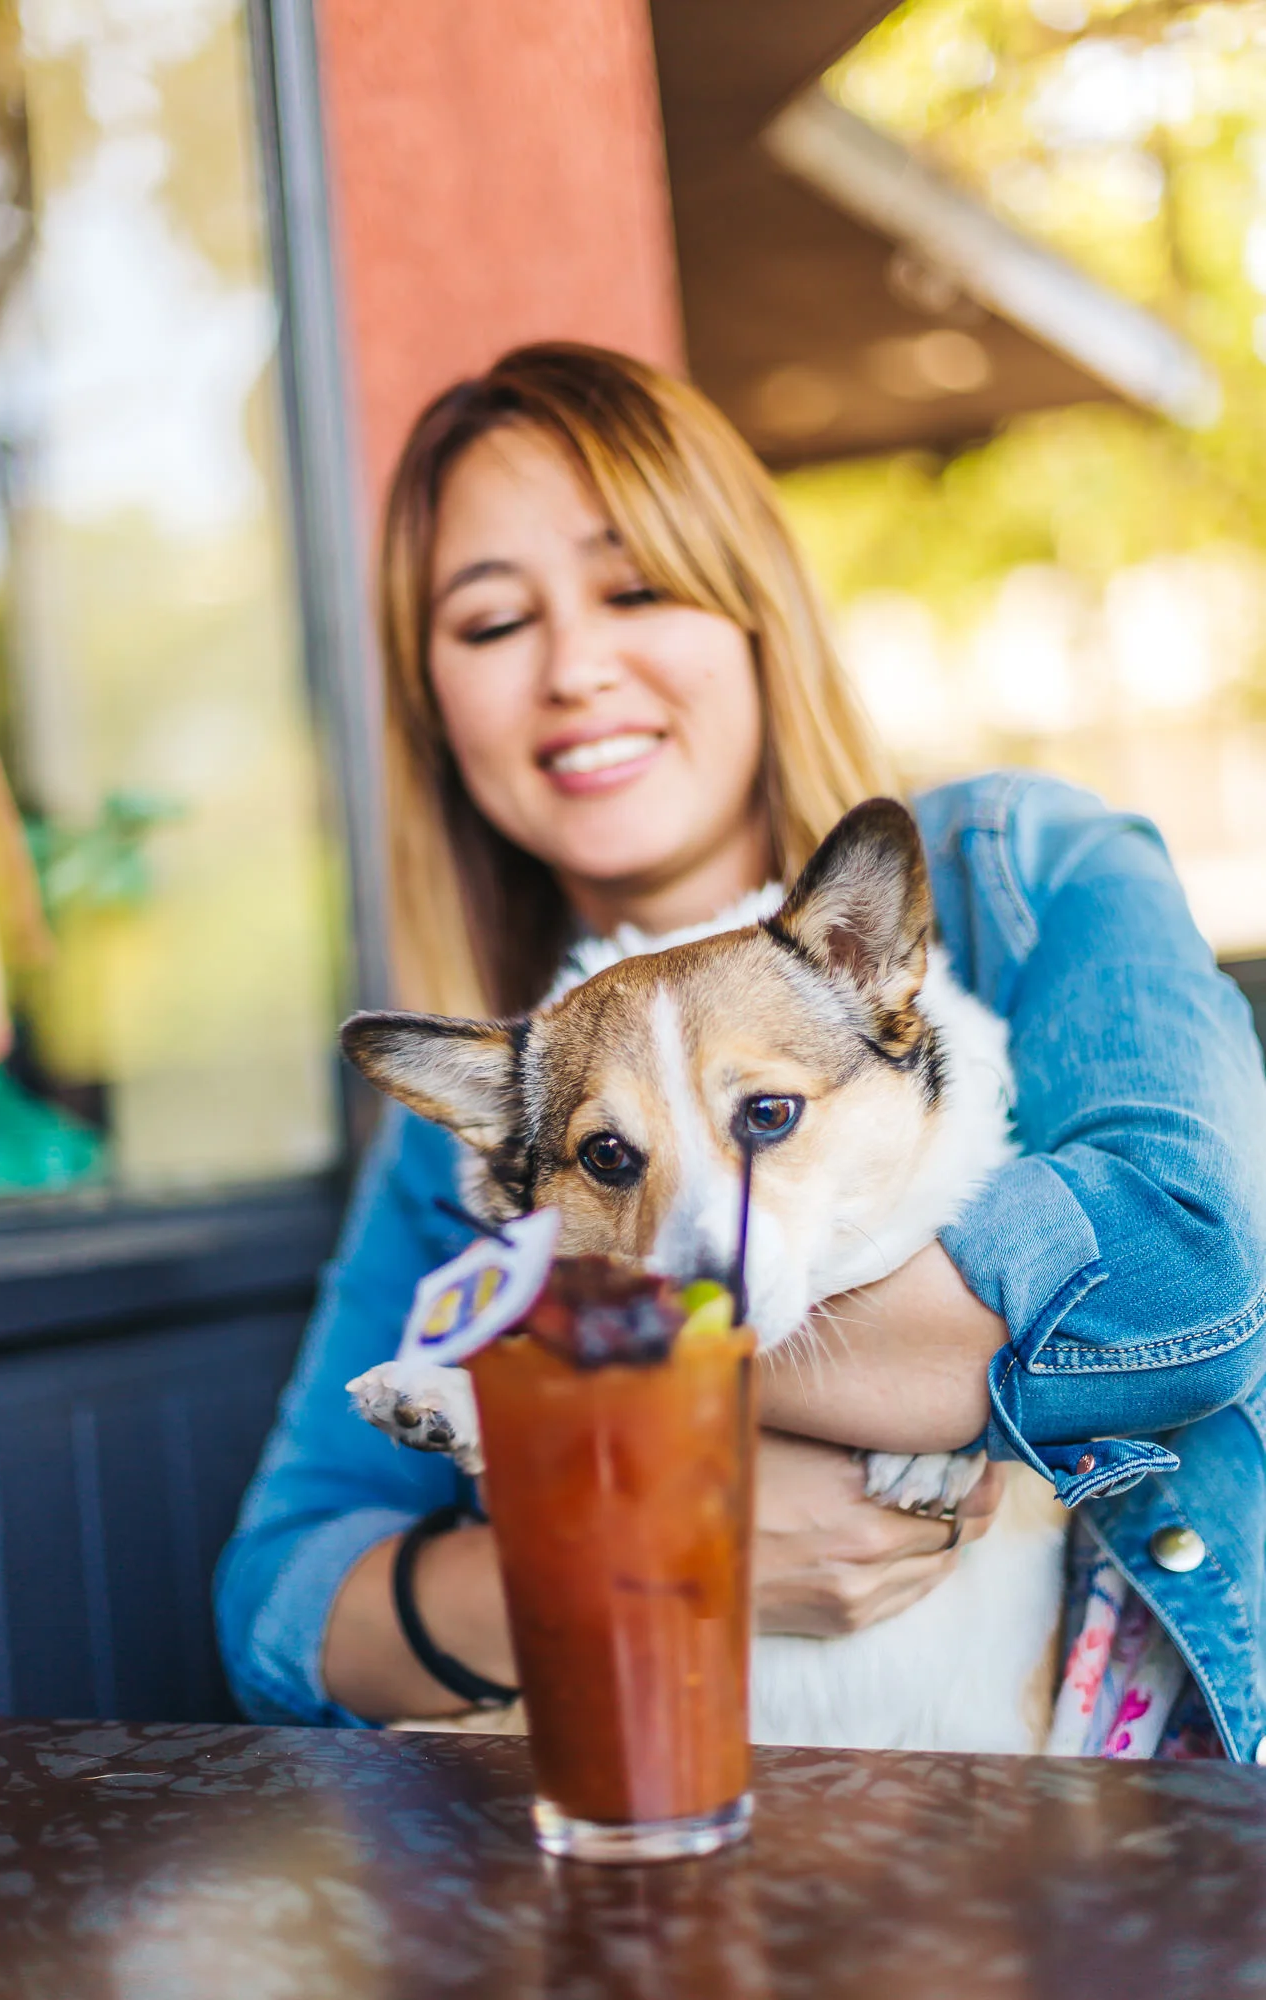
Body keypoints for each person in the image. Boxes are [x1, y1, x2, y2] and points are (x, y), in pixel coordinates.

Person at [215, 343, 1266, 1756]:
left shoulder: (1025, 870)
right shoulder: (484, 1118)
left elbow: (1188, 1276)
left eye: (636, 584)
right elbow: (277, 1612)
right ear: (430, 702)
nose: (577, 667)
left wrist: (575, 1374)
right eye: (489, 623)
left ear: (754, 604)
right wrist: (629, 1546)